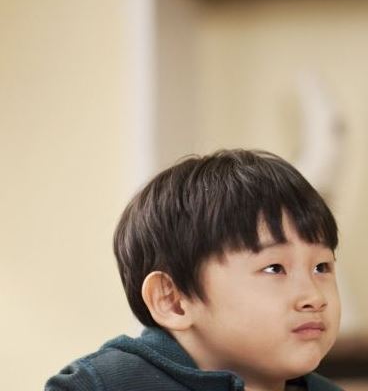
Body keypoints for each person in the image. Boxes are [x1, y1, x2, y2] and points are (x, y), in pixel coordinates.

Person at [46, 150, 344, 391]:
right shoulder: (106, 385)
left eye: (321, 267)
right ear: (173, 301)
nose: (314, 297)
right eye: (274, 268)